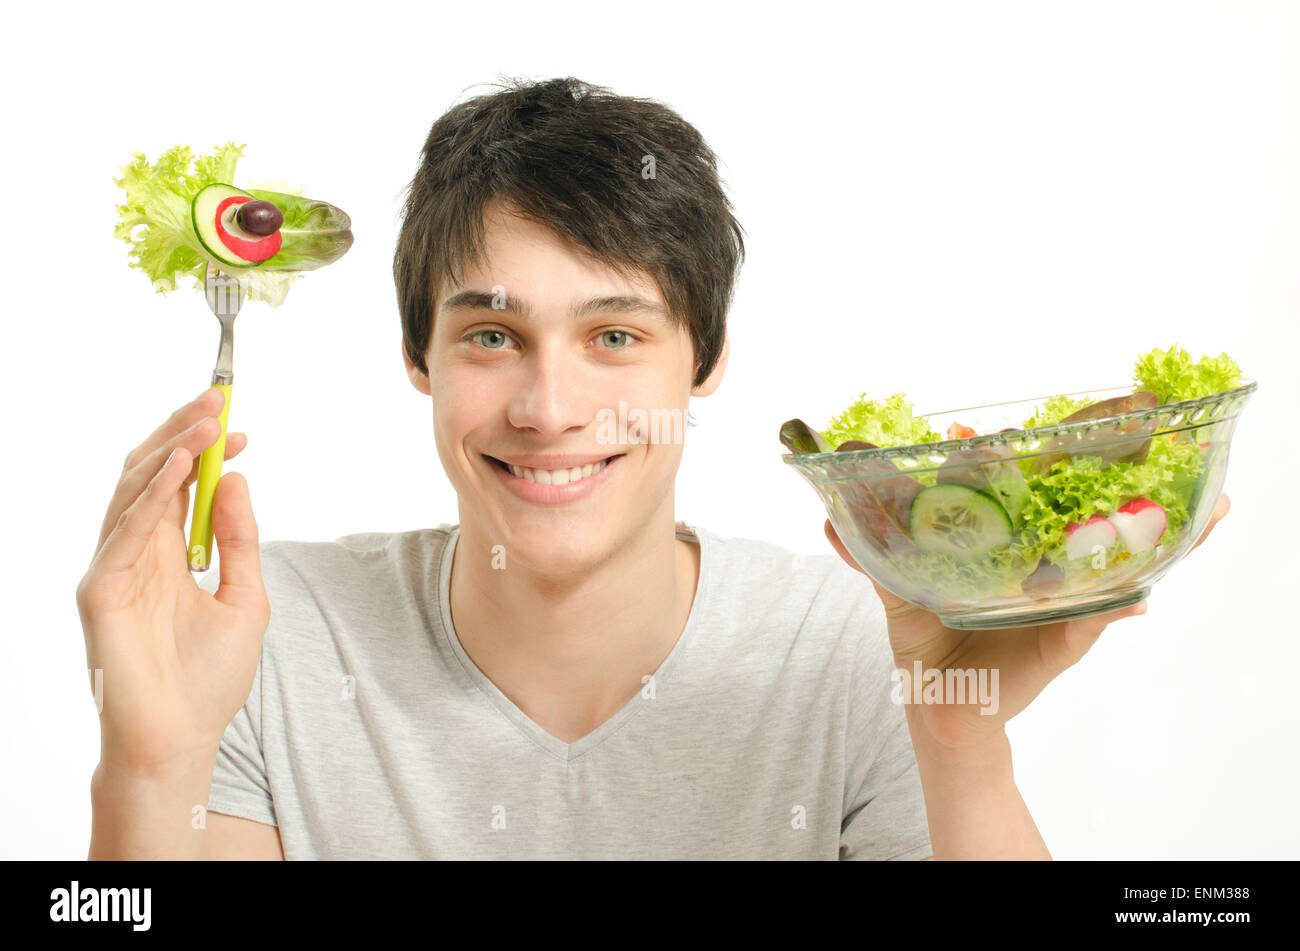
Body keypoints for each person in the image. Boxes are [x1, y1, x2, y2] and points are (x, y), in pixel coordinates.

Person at [78, 76, 1230, 860]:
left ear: (707, 361)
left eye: (615, 336)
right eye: (490, 335)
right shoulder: (263, 635)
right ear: (416, 358)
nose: (548, 408)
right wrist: (149, 762)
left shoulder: (856, 647)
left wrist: (957, 738)